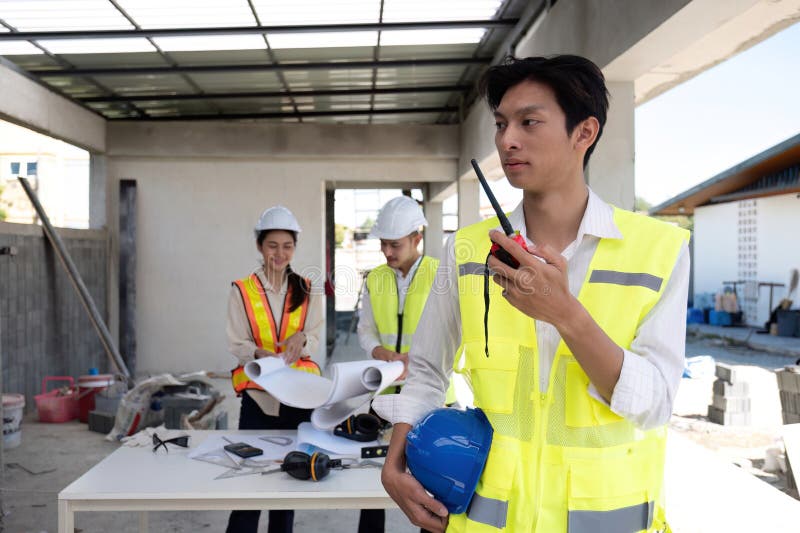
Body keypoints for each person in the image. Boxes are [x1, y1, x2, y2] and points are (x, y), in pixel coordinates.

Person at [374, 55, 690, 533]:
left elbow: (655, 403)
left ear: (583, 133)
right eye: (501, 124)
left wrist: (567, 315)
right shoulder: (465, 250)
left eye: (529, 122)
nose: (506, 140)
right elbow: (426, 370)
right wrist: (393, 467)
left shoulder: (660, 251)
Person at [226, 205, 324, 533]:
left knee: (287, 484)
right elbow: (236, 341)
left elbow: (314, 333)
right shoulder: (242, 290)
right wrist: (256, 351)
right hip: (258, 399)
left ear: (294, 248)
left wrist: (302, 340)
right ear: (259, 246)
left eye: (287, 246)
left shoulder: (308, 289)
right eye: (272, 245)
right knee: (248, 481)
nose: (280, 253)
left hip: (297, 399)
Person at [355, 195, 441, 533]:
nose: (387, 252)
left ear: (417, 238)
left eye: (395, 244)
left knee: (431, 488)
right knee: (373, 483)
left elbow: (458, 335)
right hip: (384, 396)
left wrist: (418, 360)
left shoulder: (440, 275)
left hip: (430, 400)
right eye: (383, 244)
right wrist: (382, 354)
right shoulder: (375, 279)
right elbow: (365, 330)